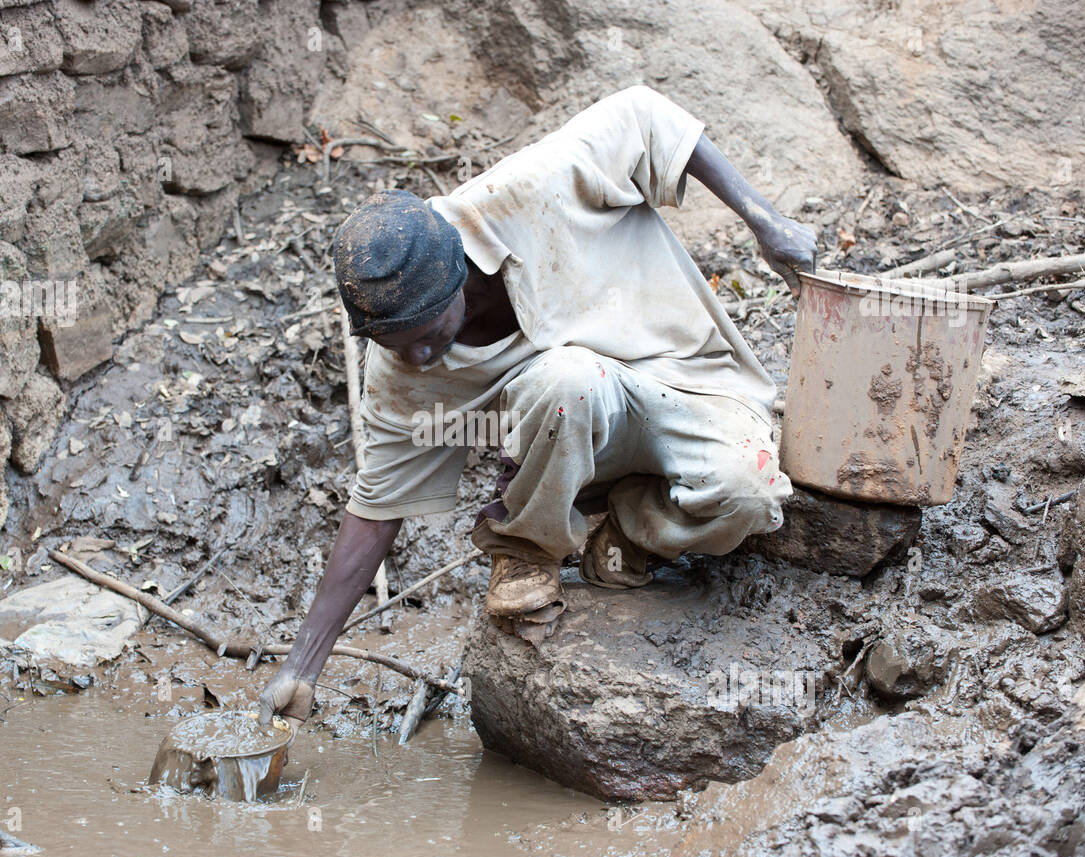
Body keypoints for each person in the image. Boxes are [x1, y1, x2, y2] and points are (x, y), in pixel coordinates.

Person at [259, 84, 815, 728]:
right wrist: (302, 666)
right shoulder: (402, 370)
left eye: (426, 337)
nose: (417, 360)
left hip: (691, 380)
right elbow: (376, 511)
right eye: (395, 347)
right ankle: (528, 547)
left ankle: (629, 534)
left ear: (457, 278)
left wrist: (764, 222)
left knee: (748, 496)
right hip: (578, 423)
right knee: (564, 379)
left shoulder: (529, 192)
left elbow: (648, 114)